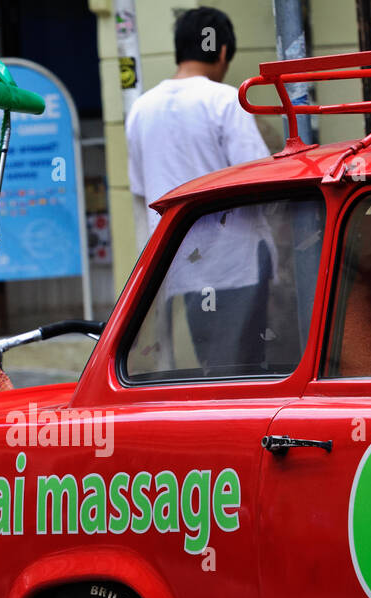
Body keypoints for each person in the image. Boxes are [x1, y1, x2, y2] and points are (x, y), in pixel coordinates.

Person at [125, 7, 276, 371]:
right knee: (246, 373)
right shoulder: (226, 101)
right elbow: (262, 180)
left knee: (213, 369)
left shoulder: (141, 110)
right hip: (237, 261)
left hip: (182, 264)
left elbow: (144, 193)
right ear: (222, 51)